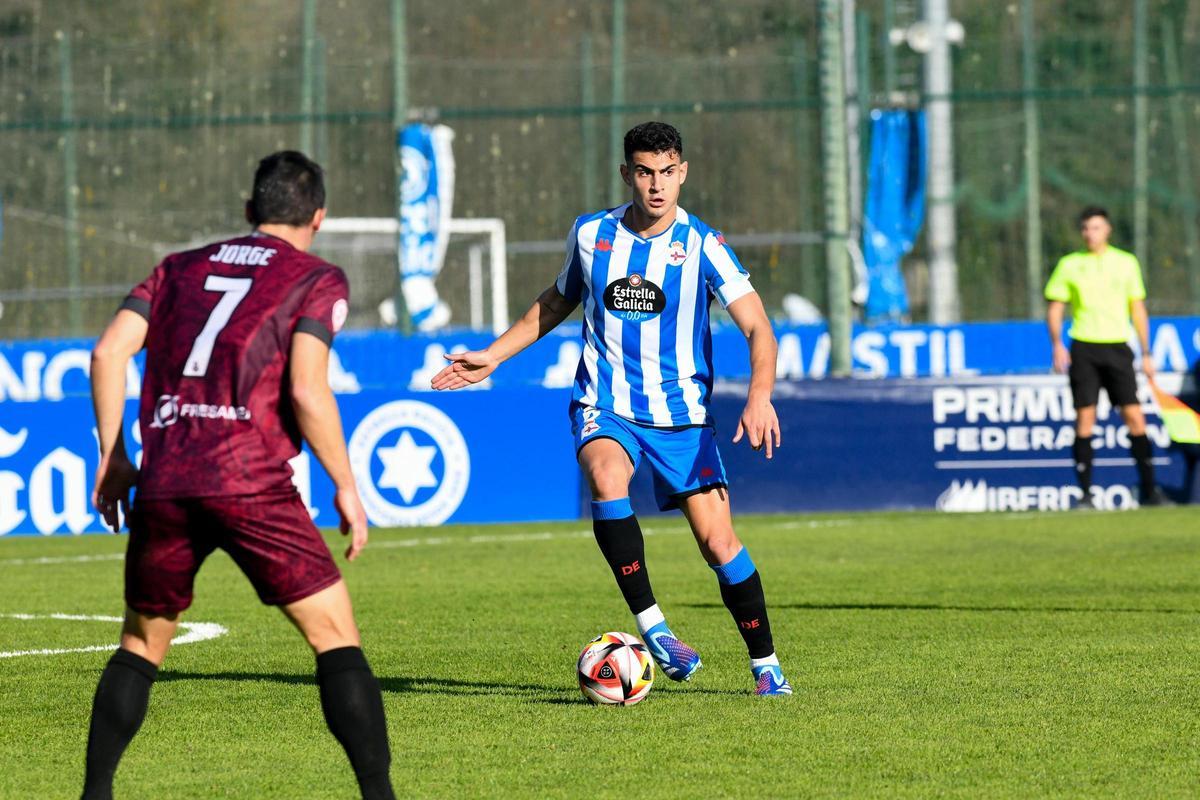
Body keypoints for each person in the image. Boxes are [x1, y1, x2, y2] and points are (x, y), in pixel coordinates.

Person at [432, 121, 791, 696]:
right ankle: (655, 629)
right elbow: (556, 302)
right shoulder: (590, 234)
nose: (657, 185)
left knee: (720, 546)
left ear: (683, 173)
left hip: (682, 417)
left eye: (667, 172)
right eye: (645, 172)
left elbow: (758, 328)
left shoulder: (703, 244)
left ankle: (766, 665)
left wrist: (759, 396)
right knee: (605, 474)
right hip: (607, 403)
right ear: (627, 173)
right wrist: (493, 356)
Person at [84, 151, 395, 799]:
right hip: (250, 478)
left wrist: (114, 457)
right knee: (335, 638)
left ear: (250, 210)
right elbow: (307, 390)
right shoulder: (315, 277)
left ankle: (95, 793)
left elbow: (109, 351)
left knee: (140, 646)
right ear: (318, 217)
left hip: (167, 477)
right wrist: (345, 485)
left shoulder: (176, 268)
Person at [1045, 205, 1171, 508]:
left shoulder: (1126, 263)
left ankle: (1149, 491)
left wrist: (1146, 352)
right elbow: (1055, 307)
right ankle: (1085, 494)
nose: (1091, 234)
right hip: (1084, 347)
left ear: (1108, 230)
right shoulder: (1070, 264)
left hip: (1117, 347)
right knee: (1085, 418)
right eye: (1086, 228)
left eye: (1096, 228)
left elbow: (1137, 309)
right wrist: (1057, 344)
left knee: (1135, 417)